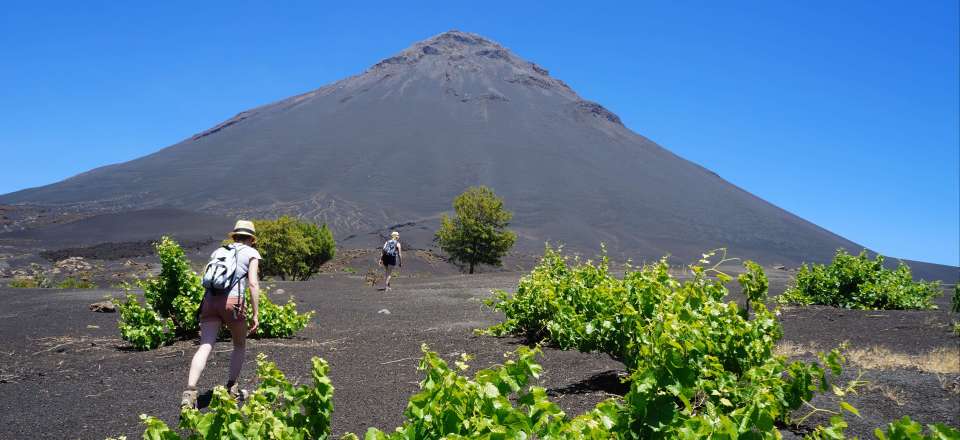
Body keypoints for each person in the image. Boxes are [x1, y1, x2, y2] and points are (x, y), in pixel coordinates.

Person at [181, 220, 262, 408]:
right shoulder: (252, 253)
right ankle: (232, 389)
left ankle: (190, 391)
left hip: (209, 302)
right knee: (239, 345)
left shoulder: (218, 252)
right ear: (251, 239)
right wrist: (255, 313)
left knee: (205, 346)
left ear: (234, 236)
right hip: (232, 304)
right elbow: (252, 284)